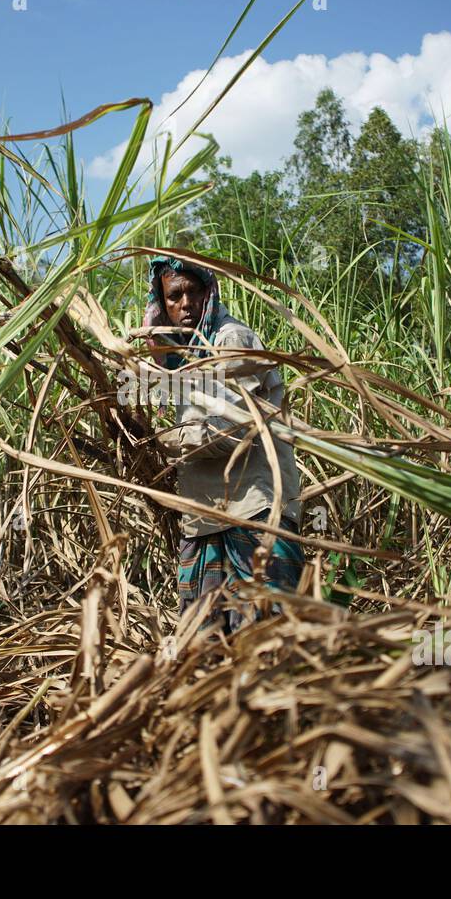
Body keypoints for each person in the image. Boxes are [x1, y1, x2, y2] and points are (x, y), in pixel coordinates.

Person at [141, 254, 304, 635]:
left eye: (193, 292)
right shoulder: (183, 354)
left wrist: (161, 443)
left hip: (254, 508)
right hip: (204, 517)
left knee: (268, 636)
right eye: (174, 296)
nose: (185, 304)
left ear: (208, 292)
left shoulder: (230, 340)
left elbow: (232, 431)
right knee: (204, 639)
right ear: (162, 303)